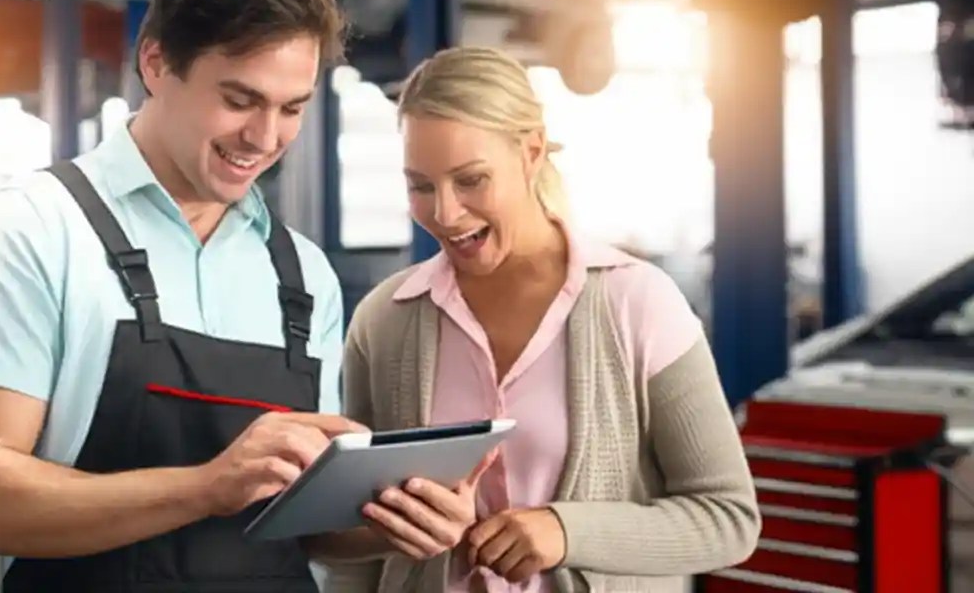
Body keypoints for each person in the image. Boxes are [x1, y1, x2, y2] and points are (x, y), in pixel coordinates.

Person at [0, 0, 367, 593]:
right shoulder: (35, 232)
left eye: (292, 108)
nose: (265, 137)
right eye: (239, 100)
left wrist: (384, 519)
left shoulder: (303, 274)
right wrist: (204, 487)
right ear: (156, 64)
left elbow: (305, 524)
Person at [314, 47, 761, 592]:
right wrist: (397, 529)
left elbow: (727, 518)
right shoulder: (385, 321)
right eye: (421, 186)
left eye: (471, 180)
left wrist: (565, 530)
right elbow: (342, 545)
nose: (446, 213)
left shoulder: (637, 303)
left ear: (531, 153)